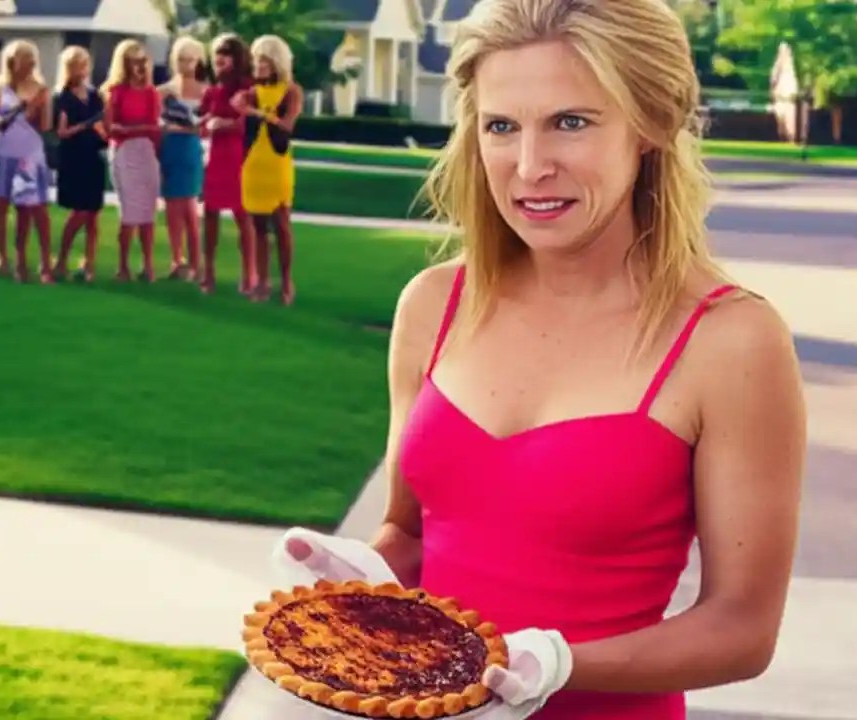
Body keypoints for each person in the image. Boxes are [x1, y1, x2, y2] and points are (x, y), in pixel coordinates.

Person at [275, 1, 807, 718]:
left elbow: (744, 629)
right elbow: (412, 531)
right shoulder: (433, 306)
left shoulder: (731, 340)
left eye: (571, 122)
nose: (530, 166)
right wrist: (366, 580)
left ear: (650, 125)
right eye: (502, 126)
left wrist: (553, 664)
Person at [235, 35, 302, 305]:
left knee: (282, 223)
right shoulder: (251, 92)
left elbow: (287, 125)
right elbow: (237, 111)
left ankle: (286, 282)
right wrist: (246, 109)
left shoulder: (291, 90)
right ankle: (261, 281)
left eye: (264, 59)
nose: (258, 65)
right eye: (256, 59)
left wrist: (261, 114)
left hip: (277, 164)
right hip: (253, 164)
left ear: (277, 62)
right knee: (257, 226)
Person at [0, 39, 54, 284]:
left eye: (31, 60)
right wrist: (9, 115)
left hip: (29, 155)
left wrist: (36, 109)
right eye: (23, 60)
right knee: (0, 207)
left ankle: (30, 262)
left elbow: (46, 126)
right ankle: (3, 256)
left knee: (29, 209)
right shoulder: (0, 88)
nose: (28, 65)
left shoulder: (40, 89)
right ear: (12, 62)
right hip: (5, 154)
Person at [197, 33, 257, 296]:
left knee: (242, 216)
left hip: (236, 158)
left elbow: (245, 124)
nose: (219, 58)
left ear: (237, 58)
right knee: (209, 215)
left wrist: (223, 124)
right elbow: (203, 119)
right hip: (213, 157)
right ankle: (208, 272)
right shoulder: (212, 91)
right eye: (216, 53)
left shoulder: (246, 89)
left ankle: (249, 274)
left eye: (225, 53)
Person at [103, 39, 162, 282]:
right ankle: (123, 265)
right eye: (133, 62)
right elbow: (111, 128)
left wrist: (133, 129)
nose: (139, 67)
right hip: (124, 153)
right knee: (129, 212)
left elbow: (154, 128)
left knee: (148, 212)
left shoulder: (151, 93)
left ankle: (148, 266)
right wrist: (138, 129)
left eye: (142, 61)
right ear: (123, 64)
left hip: (146, 153)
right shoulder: (114, 92)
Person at [52, 45, 107, 283]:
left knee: (93, 214)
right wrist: (83, 126)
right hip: (74, 158)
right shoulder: (63, 97)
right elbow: (62, 132)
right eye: (80, 65)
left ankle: (89, 263)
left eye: (86, 64)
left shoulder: (95, 96)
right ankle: (61, 260)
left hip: (94, 156)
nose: (84, 70)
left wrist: (102, 133)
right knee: (79, 213)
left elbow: (104, 126)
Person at [158, 36, 210, 282]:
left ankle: (195, 263)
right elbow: (157, 123)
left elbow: (205, 127)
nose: (185, 64)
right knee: (171, 210)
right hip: (169, 151)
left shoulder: (206, 91)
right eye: (181, 59)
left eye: (191, 59)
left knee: (190, 209)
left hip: (190, 152)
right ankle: (176, 260)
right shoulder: (163, 91)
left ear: (199, 60)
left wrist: (180, 128)